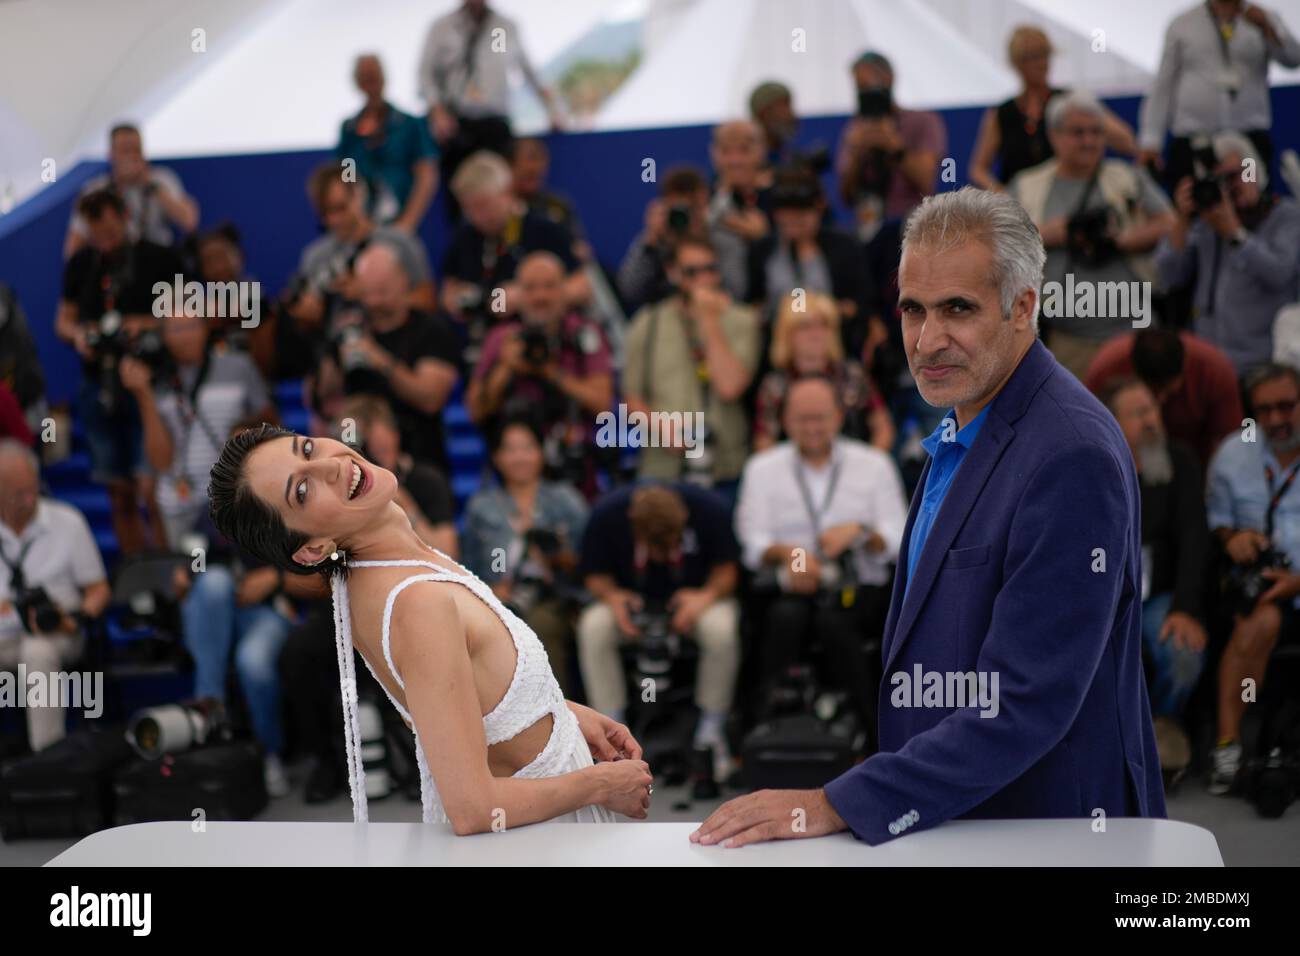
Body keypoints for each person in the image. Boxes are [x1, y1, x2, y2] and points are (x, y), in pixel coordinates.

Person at [692, 187, 1165, 847]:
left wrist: (841, 802)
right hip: (961, 821)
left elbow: (1025, 701)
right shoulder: (965, 424)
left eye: (957, 309)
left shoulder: (1070, 454)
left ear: (1022, 307)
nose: (927, 339)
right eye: (913, 309)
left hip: (1051, 832)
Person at [207, 424, 651, 830]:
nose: (329, 465)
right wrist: (601, 785)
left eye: (306, 448)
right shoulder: (417, 603)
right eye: (302, 491)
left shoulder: (389, 571)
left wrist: (563, 714)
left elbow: (470, 701)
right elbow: (474, 808)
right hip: (544, 841)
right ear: (312, 549)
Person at [735, 377, 907, 728]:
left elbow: (898, 538)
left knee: (835, 621)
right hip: (789, 589)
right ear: (785, 421)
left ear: (839, 417)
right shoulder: (762, 468)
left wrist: (860, 533)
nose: (812, 427)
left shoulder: (874, 465)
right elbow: (752, 540)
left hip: (858, 589)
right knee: (785, 616)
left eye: (821, 417)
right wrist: (794, 557)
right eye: (803, 419)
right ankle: (764, 727)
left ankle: (872, 729)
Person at [577, 483, 741, 782]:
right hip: (632, 603)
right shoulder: (607, 514)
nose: (661, 553)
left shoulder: (710, 509)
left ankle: (711, 732)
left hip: (695, 601)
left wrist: (705, 597)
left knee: (721, 629)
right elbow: (593, 575)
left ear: (685, 519)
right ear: (632, 524)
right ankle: (610, 733)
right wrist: (613, 597)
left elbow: (727, 572)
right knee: (594, 627)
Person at [1008, 90, 1175, 380]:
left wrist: (1125, 240)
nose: (1089, 141)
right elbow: (1000, 246)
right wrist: (1047, 234)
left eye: (1097, 132)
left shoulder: (1127, 177)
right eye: (1078, 133)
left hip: (1135, 332)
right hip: (1067, 342)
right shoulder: (1026, 185)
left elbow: (1170, 222)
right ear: (1054, 136)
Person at [57, 188, 182, 554]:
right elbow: (62, 322)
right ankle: (135, 574)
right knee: (119, 490)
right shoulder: (81, 264)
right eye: (97, 235)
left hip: (150, 384)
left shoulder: (159, 258)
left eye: (111, 232)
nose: (105, 242)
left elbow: (186, 316)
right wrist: (79, 335)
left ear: (126, 217)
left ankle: (167, 570)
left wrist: (142, 325)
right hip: (99, 385)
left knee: (152, 488)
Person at [1100, 378, 1209, 781]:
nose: (1150, 421)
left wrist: (1185, 608)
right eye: (1138, 414)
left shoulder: (1179, 462)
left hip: (1161, 594)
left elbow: (1195, 539)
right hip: (1108, 594)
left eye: (1152, 410)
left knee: (1182, 654)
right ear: (1113, 422)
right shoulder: (1096, 463)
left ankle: (1163, 730)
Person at [1205, 363, 1300, 794]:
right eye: (1265, 410)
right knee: (1259, 621)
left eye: (1287, 406)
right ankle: (1228, 746)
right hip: (1259, 593)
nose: (1276, 419)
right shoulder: (1234, 453)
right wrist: (1233, 538)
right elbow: (1217, 523)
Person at [120, 309, 277, 550]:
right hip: (179, 500)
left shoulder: (238, 366)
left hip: (231, 498)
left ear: (206, 329)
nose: (186, 336)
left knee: (232, 568)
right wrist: (144, 395)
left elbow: (272, 423)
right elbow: (161, 462)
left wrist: (244, 434)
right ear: (163, 337)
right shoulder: (158, 380)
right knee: (188, 569)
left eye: (192, 326)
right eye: (177, 329)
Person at [621, 236, 760, 499]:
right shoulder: (648, 323)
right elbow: (632, 397)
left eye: (710, 269)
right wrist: (662, 429)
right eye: (691, 272)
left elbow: (729, 387)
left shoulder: (742, 321)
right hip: (663, 467)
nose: (703, 279)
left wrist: (708, 321)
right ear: (673, 273)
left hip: (725, 467)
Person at [466, 251, 613, 497]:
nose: (540, 296)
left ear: (564, 290)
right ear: (518, 294)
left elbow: (603, 404)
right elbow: (476, 411)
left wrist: (550, 372)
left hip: (575, 471)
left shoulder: (584, 333)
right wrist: (505, 367)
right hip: (513, 479)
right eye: (531, 288)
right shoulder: (501, 338)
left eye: (549, 286)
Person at [462, 414, 588, 697]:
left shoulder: (566, 500)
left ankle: (556, 708)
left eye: (528, 447)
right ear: (496, 457)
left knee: (540, 624)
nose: (520, 457)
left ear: (542, 452)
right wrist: (491, 590)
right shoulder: (481, 506)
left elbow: (589, 562)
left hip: (555, 598)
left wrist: (557, 560)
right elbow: (467, 566)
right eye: (510, 449)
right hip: (497, 600)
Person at [1155, 131, 1300, 374]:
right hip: (1208, 360)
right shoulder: (1207, 224)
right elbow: (1169, 276)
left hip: (1264, 363)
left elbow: (1279, 272)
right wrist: (1182, 220)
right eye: (1219, 180)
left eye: (1236, 175)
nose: (1231, 187)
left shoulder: (1286, 216)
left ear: (1255, 170)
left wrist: (1235, 233)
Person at [0, 441, 110, 752]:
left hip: (60, 632)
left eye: (32, 489)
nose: (29, 499)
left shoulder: (67, 521)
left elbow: (99, 590)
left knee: (36, 652)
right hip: (4, 637)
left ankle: (47, 758)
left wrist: (76, 617)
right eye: (18, 494)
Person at [311, 243, 460, 473]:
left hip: (419, 456)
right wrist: (335, 356)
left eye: (382, 291)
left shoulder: (431, 330)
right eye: (368, 292)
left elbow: (431, 399)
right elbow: (322, 396)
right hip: (356, 455)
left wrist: (380, 360)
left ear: (403, 282)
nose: (374, 301)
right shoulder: (349, 328)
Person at [418, 0, 562, 219]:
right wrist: (437, 111)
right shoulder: (442, 27)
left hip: (495, 123)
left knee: (501, 191)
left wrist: (553, 110)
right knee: (461, 195)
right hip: (457, 125)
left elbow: (527, 71)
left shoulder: (502, 27)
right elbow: (425, 75)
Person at [1138, 0, 1300, 190]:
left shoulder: (1264, 18)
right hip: (1196, 143)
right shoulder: (1183, 24)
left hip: (1249, 142)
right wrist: (1150, 141)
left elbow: (1293, 59)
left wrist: (1268, 28)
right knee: (1199, 199)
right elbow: (1163, 85)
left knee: (1251, 198)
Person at [969, 26, 1136, 190]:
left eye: (1044, 54)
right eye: (1032, 56)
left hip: (1066, 194)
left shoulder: (1070, 102)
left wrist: (1086, 125)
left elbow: (1125, 140)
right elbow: (978, 169)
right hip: (1019, 199)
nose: (1041, 63)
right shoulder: (1002, 114)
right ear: (1017, 63)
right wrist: (1003, 195)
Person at [286, 160, 437, 339]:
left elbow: (427, 302)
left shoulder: (400, 243)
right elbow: (306, 322)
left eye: (341, 208)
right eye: (325, 212)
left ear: (358, 195)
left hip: (399, 345)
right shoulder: (315, 256)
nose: (334, 220)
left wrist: (372, 294)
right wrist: (309, 311)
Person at [746, 166, 880, 358]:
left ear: (819, 207)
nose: (792, 218)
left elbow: (862, 302)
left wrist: (824, 313)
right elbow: (753, 301)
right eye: (785, 211)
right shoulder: (763, 250)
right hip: (778, 351)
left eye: (801, 211)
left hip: (836, 349)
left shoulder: (843, 247)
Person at [1084, 326, 1243, 471]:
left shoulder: (1215, 371)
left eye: (1167, 391)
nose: (1159, 400)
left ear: (1184, 369)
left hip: (1197, 462)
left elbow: (1229, 445)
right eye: (1152, 392)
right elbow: (1091, 438)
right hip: (1123, 463)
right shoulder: (1105, 370)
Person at [752, 292, 893, 454]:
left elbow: (883, 428)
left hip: (852, 462)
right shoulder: (774, 386)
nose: (816, 334)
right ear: (787, 334)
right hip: (793, 466)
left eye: (823, 325)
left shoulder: (852, 375)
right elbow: (764, 441)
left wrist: (869, 464)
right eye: (805, 327)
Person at [836, 51, 947, 239]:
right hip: (868, 228)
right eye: (859, 88)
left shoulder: (923, 122)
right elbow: (845, 195)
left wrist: (894, 147)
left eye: (868, 85)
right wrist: (856, 155)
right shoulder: (855, 130)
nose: (865, 93)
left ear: (889, 79)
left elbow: (927, 182)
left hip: (912, 227)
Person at [334, 395, 458, 558]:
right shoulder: (343, 490)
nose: (375, 463)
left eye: (382, 449)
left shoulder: (427, 480)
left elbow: (448, 554)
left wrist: (406, 507)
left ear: (395, 436)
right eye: (366, 453)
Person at [617, 165, 747, 312]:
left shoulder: (724, 241)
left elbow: (736, 292)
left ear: (704, 202)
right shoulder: (654, 242)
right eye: (678, 210)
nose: (686, 216)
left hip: (716, 313)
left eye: (691, 207)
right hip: (667, 319)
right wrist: (650, 242)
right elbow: (629, 290)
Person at [336, 54, 439, 232]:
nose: (370, 82)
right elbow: (347, 176)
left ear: (384, 77)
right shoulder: (350, 130)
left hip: (401, 218)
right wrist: (354, 217)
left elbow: (426, 175)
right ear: (357, 82)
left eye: (374, 75)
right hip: (363, 222)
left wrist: (407, 223)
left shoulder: (409, 125)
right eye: (365, 76)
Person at [64, 123, 199, 259]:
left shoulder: (161, 179)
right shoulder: (95, 189)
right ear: (111, 154)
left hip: (159, 259)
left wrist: (150, 185)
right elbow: (73, 248)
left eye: (135, 150)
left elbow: (189, 221)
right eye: (124, 151)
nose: (130, 157)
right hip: (114, 260)